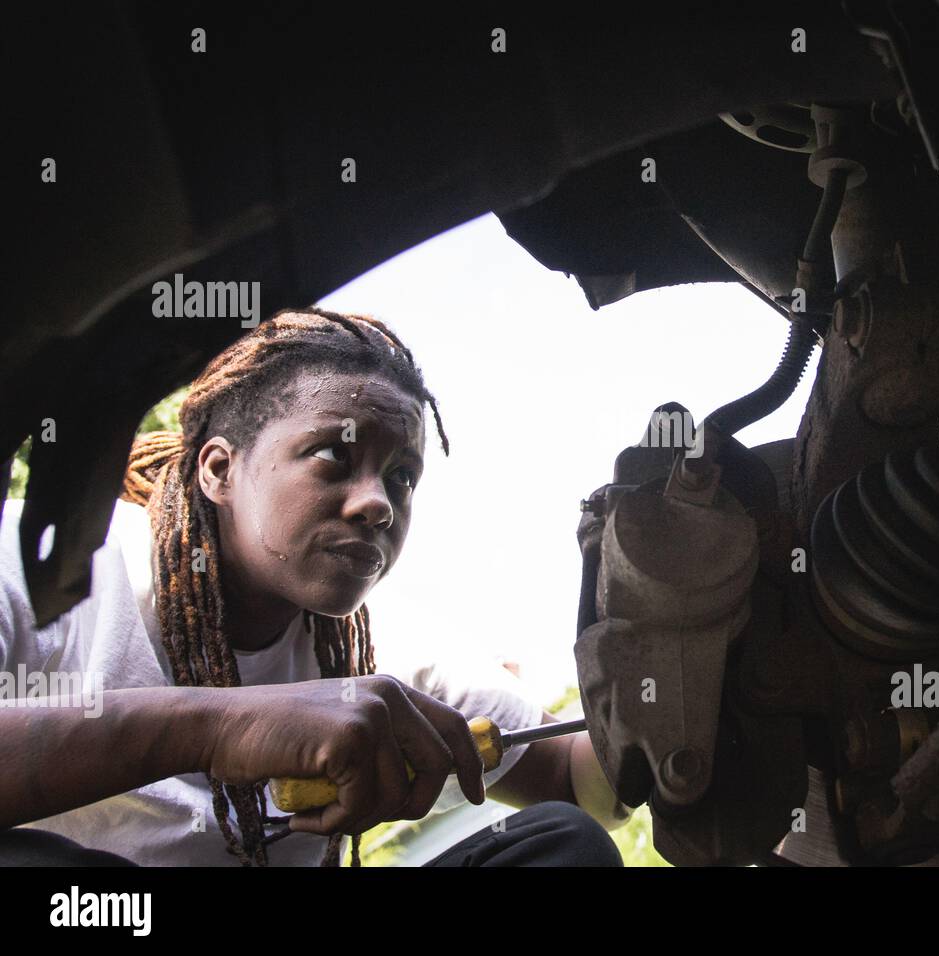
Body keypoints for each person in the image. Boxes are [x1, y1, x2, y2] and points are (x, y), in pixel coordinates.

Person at [0, 307, 629, 866]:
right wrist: (221, 728)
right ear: (219, 470)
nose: (379, 503)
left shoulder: (386, 655)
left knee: (561, 844)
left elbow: (578, 781)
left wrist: (668, 657)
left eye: (403, 476)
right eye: (334, 456)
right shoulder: (44, 565)